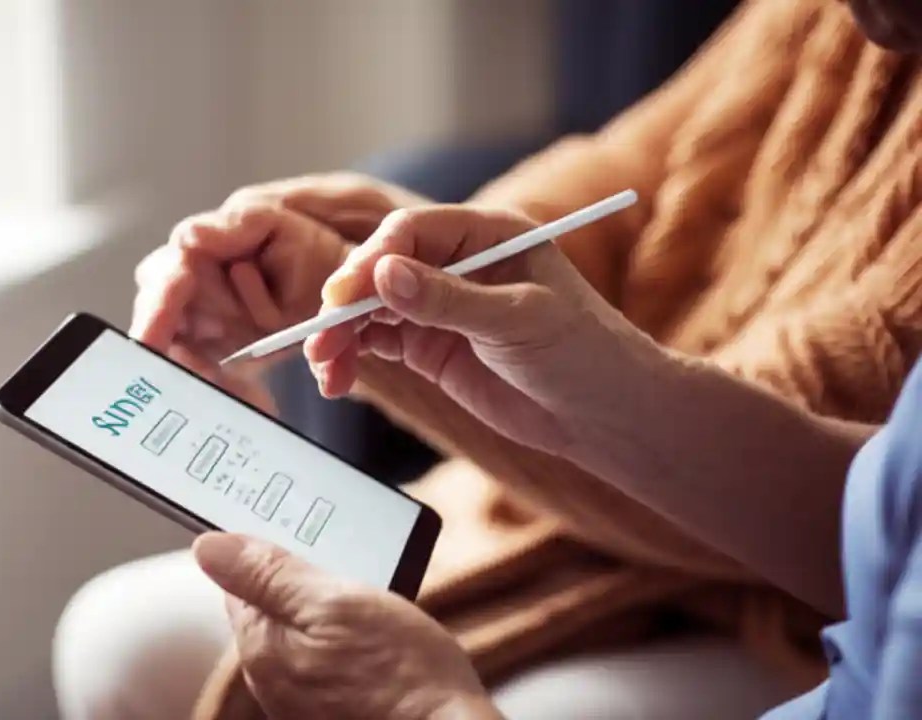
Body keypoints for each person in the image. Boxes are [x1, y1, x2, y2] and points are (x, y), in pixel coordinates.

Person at [56, 0, 922, 717]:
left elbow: (841, 505)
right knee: (117, 632)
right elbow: (630, 181)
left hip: (763, 606)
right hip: (559, 507)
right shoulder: (836, 20)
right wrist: (383, 251)